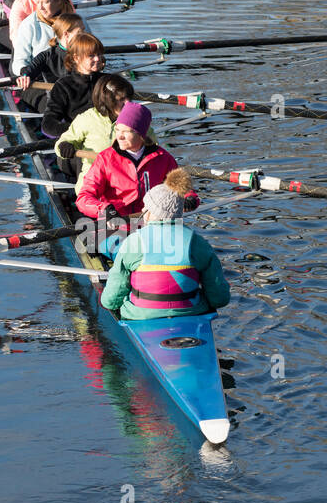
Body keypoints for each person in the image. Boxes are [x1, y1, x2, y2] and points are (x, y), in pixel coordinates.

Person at [100, 169, 229, 321]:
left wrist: (109, 303)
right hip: (191, 312)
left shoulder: (134, 241)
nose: (142, 210)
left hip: (140, 315)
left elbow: (111, 298)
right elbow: (220, 299)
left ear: (150, 212)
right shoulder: (197, 242)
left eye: (145, 207)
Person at [76, 102, 199, 221]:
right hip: (117, 226)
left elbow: (182, 188)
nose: (119, 136)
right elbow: (83, 197)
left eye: (126, 131)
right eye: (118, 130)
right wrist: (104, 209)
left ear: (141, 134)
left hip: (153, 224)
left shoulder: (163, 158)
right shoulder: (105, 159)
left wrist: (190, 198)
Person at [53, 74, 154, 193]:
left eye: (129, 98)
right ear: (107, 101)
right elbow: (61, 144)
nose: (127, 104)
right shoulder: (87, 119)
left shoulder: (137, 119)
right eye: (121, 100)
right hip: (94, 184)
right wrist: (65, 146)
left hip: (128, 185)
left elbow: (155, 151)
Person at [39, 32, 107, 139]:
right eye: (91, 56)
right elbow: (48, 125)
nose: (98, 59)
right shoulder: (64, 85)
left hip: (106, 136)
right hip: (77, 139)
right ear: (76, 58)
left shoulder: (108, 81)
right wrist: (76, 130)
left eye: (99, 54)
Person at [14, 13, 85, 112]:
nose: (85, 35)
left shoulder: (86, 54)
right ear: (66, 35)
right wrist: (25, 76)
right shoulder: (47, 56)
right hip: (56, 100)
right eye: (80, 32)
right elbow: (30, 70)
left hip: (82, 98)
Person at [8, 0, 70, 72]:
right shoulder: (29, 25)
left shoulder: (77, 22)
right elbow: (19, 62)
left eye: (45, 2)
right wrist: (24, 72)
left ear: (58, 0)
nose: (40, 7)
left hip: (71, 78)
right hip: (40, 78)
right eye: (37, 2)